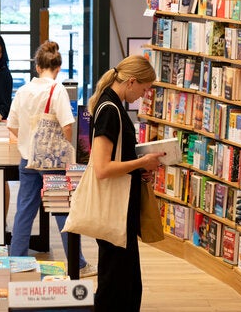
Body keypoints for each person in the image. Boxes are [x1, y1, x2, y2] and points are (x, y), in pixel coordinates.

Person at [7, 41, 94, 277]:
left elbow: (11, 125)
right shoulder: (58, 90)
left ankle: (16, 261)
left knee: (24, 211)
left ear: (37, 66)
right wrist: (62, 148)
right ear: (58, 67)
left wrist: (29, 141)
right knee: (63, 211)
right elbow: (68, 126)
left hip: (27, 160)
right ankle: (79, 264)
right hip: (52, 163)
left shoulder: (23, 91)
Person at [86, 55, 163, 312]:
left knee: (125, 283)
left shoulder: (113, 104)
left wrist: (141, 164)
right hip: (114, 211)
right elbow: (102, 167)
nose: (143, 95)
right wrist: (141, 164)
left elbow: (118, 158)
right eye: (143, 89)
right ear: (131, 82)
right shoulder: (110, 110)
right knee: (116, 286)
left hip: (121, 209)